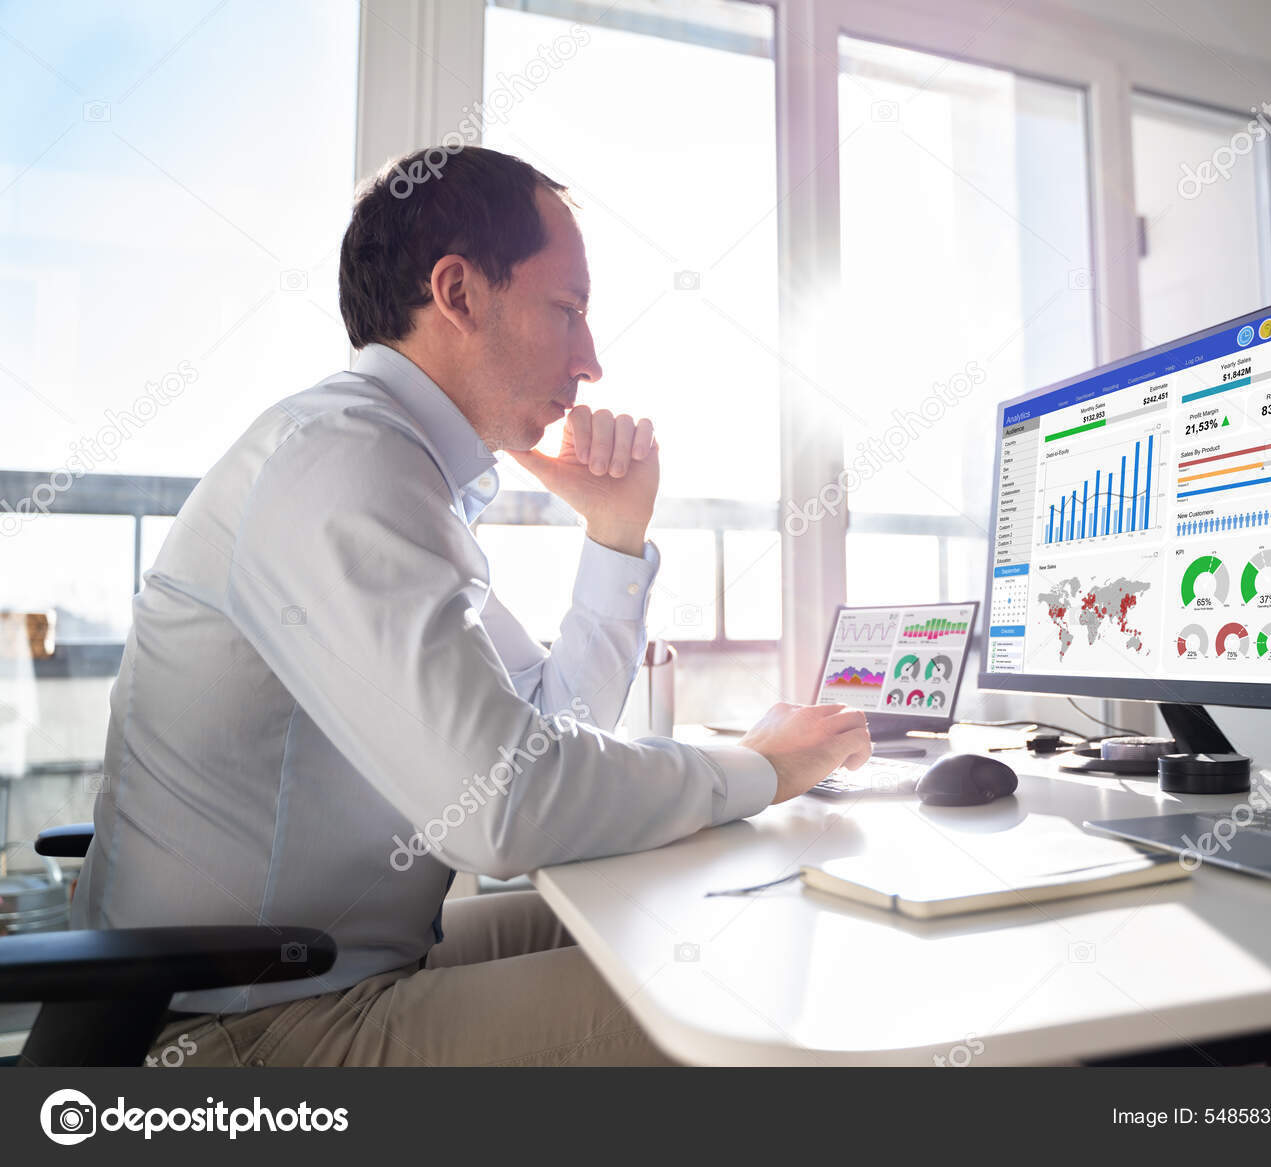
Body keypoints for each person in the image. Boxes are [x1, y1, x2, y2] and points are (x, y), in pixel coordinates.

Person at [70, 146, 871, 1067]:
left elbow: (546, 731)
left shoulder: (390, 472)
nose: (592, 361)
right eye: (567, 310)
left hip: (318, 976)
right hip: (244, 1035)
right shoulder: (344, 465)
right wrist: (754, 767)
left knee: (704, 909)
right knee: (743, 984)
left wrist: (614, 533)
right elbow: (506, 813)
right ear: (457, 293)